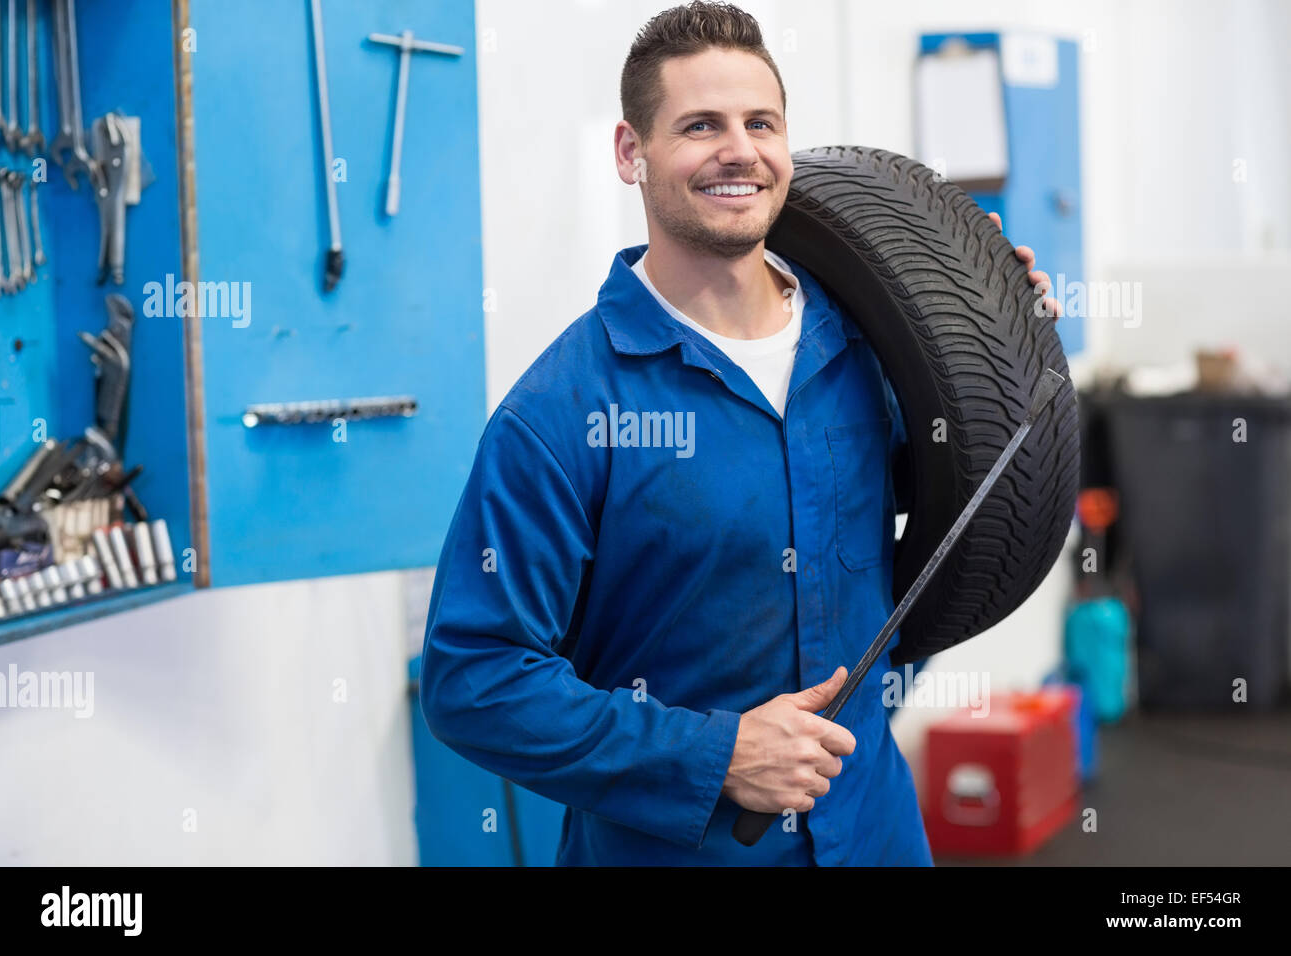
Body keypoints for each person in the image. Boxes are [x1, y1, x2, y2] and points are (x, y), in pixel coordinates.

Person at [420, 1, 1059, 865]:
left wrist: (997, 336)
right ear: (629, 153)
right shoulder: (561, 413)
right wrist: (716, 756)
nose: (739, 150)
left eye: (761, 122)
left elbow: (954, 479)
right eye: (699, 125)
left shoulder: (867, 346)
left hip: (873, 834)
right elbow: (473, 679)